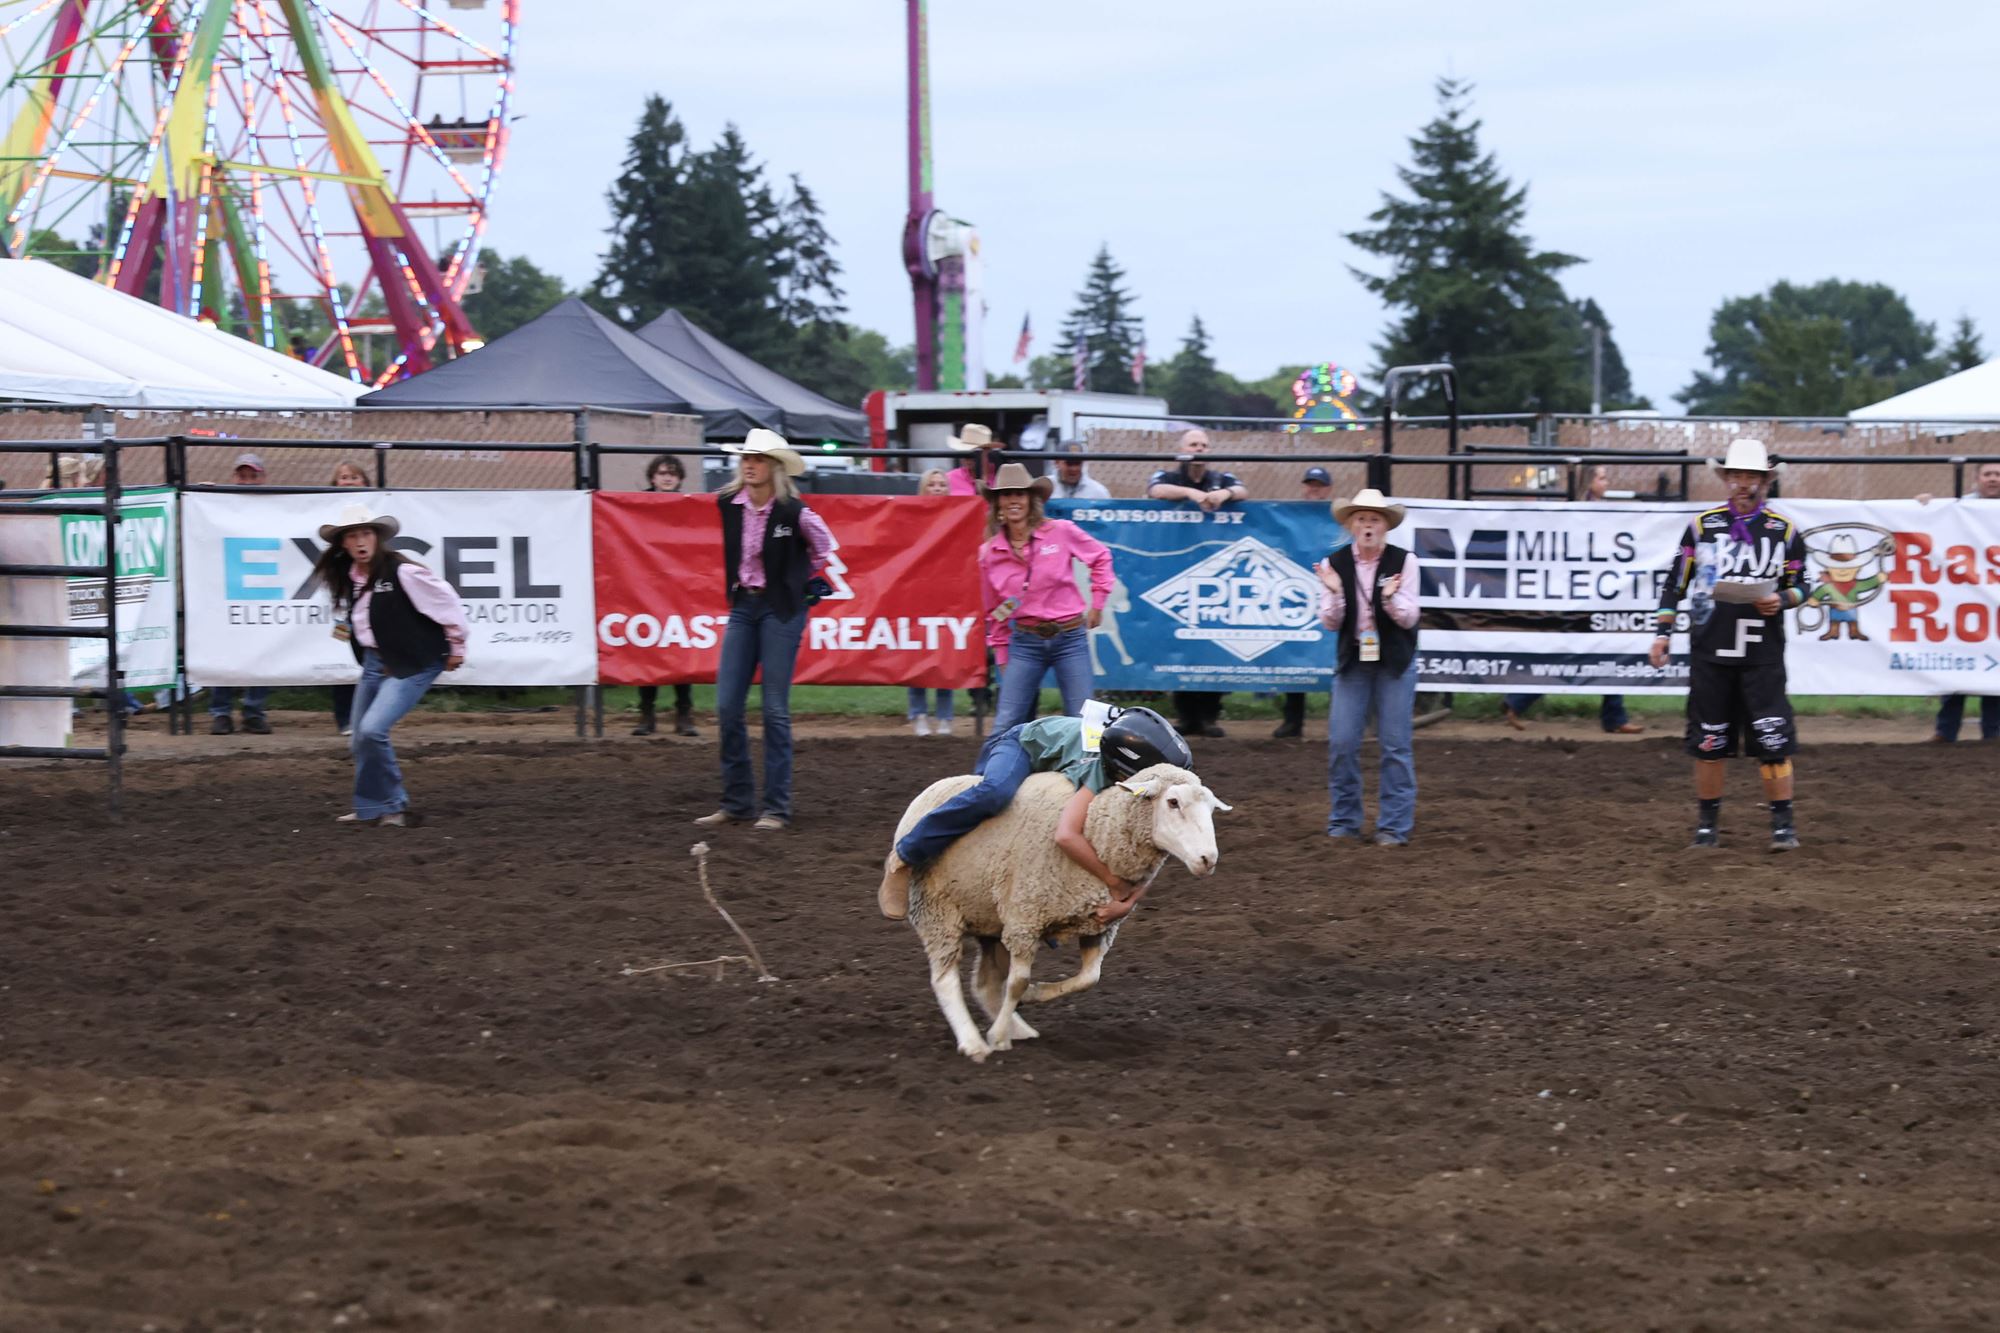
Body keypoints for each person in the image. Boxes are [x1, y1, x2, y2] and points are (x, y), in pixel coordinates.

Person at [877, 705, 1193, 923]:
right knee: (995, 795)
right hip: (1020, 744)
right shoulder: (1100, 771)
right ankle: (904, 857)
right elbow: (1066, 835)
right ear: (1124, 773)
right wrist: (1113, 881)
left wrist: (1126, 904)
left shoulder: (1135, 783)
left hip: (1055, 774)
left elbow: (1152, 851)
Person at [1648, 438, 1808, 851]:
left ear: (1765, 481)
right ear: (1726, 479)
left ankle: (1782, 826)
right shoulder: (1703, 527)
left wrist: (1784, 599)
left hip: (1763, 654)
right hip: (1711, 650)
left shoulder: (1784, 532)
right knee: (1709, 741)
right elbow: (1674, 583)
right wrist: (1662, 632)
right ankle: (1707, 825)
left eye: (1751, 476)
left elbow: (1806, 584)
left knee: (1773, 740)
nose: (1743, 484)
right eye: (1736, 475)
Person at [694, 430, 834, 833]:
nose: (749, 464)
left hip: (780, 610)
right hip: (743, 605)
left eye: (757, 458)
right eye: (746, 458)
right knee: (726, 705)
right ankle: (737, 801)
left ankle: (776, 806)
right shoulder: (729, 504)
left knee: (774, 708)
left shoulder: (794, 512)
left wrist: (802, 582)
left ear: (773, 466)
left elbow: (824, 548)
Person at [311, 503, 467, 827]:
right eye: (352, 536)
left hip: (413, 661)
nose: (360, 541)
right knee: (360, 738)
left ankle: (393, 805)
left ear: (376, 538)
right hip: (376, 662)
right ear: (344, 544)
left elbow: (446, 602)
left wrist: (456, 644)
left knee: (371, 730)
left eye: (365, 533)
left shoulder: (402, 572)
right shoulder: (352, 579)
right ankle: (371, 808)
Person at [1501, 464, 1644, 736]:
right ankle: (1517, 701)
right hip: (1582, 598)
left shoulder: (1594, 510)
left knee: (1603, 652)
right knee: (1574, 655)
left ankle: (1517, 702)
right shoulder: (1581, 511)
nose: (1607, 481)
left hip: (1593, 595)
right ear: (1589, 481)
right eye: (1602, 477)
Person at [980, 462, 1114, 749]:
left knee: (1084, 720)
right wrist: (1002, 656)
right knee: (1005, 721)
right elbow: (995, 612)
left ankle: (1092, 785)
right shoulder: (990, 553)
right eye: (1006, 494)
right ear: (998, 503)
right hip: (1025, 642)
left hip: (1069, 637)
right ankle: (985, 784)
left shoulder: (1061, 531)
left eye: (1020, 493)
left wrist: (1098, 603)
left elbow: (1100, 556)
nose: (1013, 500)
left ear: (1031, 499)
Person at [1317, 488, 1422, 846]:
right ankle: (1344, 820)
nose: (1367, 525)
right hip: (1354, 659)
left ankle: (1393, 825)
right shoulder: (1334, 565)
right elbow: (1331, 622)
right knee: (1343, 742)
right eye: (1361, 518)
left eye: (1374, 519)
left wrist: (1390, 599)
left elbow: (1409, 618)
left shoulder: (1404, 562)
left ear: (1385, 526)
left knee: (1395, 744)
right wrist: (1334, 592)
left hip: (1394, 660)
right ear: (1351, 524)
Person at [1149, 429, 1248, 738]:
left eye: (1204, 445)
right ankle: (1186, 716)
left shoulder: (1219, 477)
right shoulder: (1170, 475)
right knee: (1178, 639)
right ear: (1182, 448)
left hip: (1212, 568)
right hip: (1174, 565)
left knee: (1211, 637)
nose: (1199, 450)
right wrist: (1191, 494)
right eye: (1194, 444)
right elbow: (1155, 490)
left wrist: (1225, 495)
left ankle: (1208, 716)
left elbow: (1242, 490)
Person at [1918, 461, 2000, 743]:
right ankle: (1945, 731)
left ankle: (1993, 733)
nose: (1993, 479)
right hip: (1962, 597)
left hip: (1994, 600)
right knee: (1955, 660)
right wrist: (1924, 505)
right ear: (1977, 478)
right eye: (1988, 474)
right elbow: (1934, 519)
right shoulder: (1961, 507)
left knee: (1995, 666)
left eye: (1998, 475)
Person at [632, 453, 701, 738]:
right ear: (653, 477)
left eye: (672, 473)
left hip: (679, 590)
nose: (668, 477)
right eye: (662, 473)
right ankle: (646, 714)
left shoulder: (689, 505)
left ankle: (684, 714)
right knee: (649, 652)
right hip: (646, 590)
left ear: (679, 478)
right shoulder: (635, 507)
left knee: (680, 652)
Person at [211, 452, 273, 735]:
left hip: (264, 586)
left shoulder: (276, 506)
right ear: (234, 477)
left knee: (266, 645)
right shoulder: (218, 505)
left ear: (263, 479)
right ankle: (221, 712)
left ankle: (253, 710)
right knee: (223, 648)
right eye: (242, 476)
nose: (247, 481)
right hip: (227, 586)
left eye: (253, 476)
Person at [1277, 466, 1338, 738]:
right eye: (1310, 484)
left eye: (1319, 485)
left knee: (1339, 659)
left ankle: (1340, 722)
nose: (1314, 489)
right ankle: (1293, 721)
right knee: (1296, 655)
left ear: (1329, 489)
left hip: (1332, 591)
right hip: (1297, 593)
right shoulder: (1292, 516)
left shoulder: (1338, 519)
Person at [907, 469, 959, 735]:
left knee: (945, 657)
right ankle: (918, 714)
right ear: (923, 488)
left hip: (946, 595)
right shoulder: (910, 517)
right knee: (917, 654)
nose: (937, 488)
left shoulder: (957, 518)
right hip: (917, 594)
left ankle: (945, 717)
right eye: (932, 484)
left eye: (942, 484)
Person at [328, 460, 371, 736]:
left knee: (373, 659)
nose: (349, 481)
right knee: (341, 656)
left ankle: (370, 717)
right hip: (343, 606)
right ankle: (345, 719)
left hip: (371, 601)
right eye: (343, 477)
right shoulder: (323, 510)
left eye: (355, 476)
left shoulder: (376, 514)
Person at [946, 422, 1003, 495]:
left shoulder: (1000, 476)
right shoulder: (949, 479)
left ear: (987, 451)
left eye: (971, 454)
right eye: (963, 452)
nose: (966, 458)